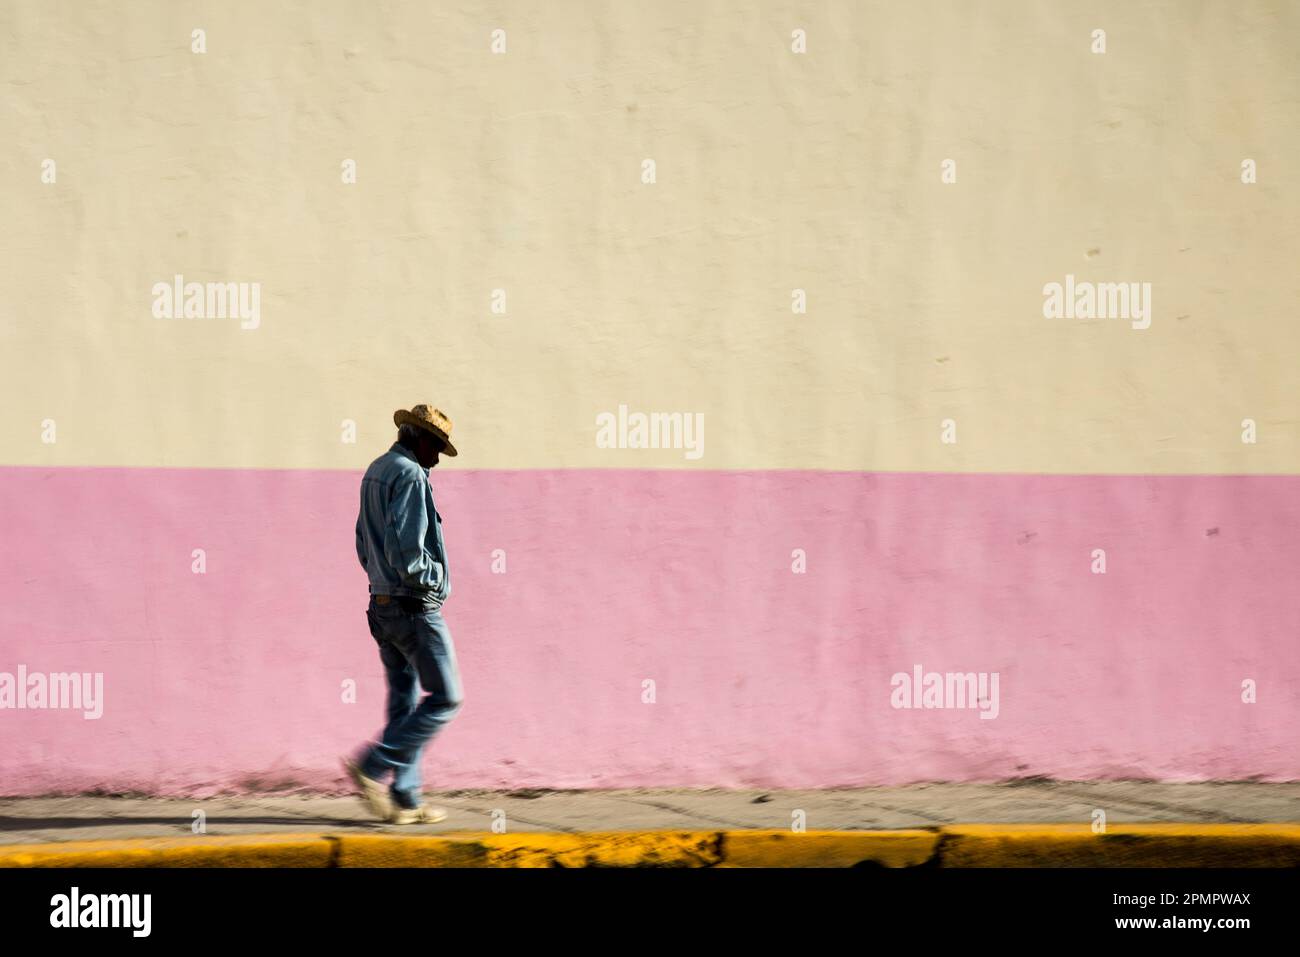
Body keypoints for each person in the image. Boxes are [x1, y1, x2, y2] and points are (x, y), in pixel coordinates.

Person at [343, 404, 464, 824]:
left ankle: (406, 798)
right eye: (436, 445)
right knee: (447, 698)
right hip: (414, 607)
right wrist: (435, 581)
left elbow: (362, 542)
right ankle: (373, 765)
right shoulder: (410, 474)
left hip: (382, 605)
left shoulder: (376, 469)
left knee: (405, 700)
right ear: (417, 436)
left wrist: (382, 583)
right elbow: (409, 552)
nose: (437, 457)